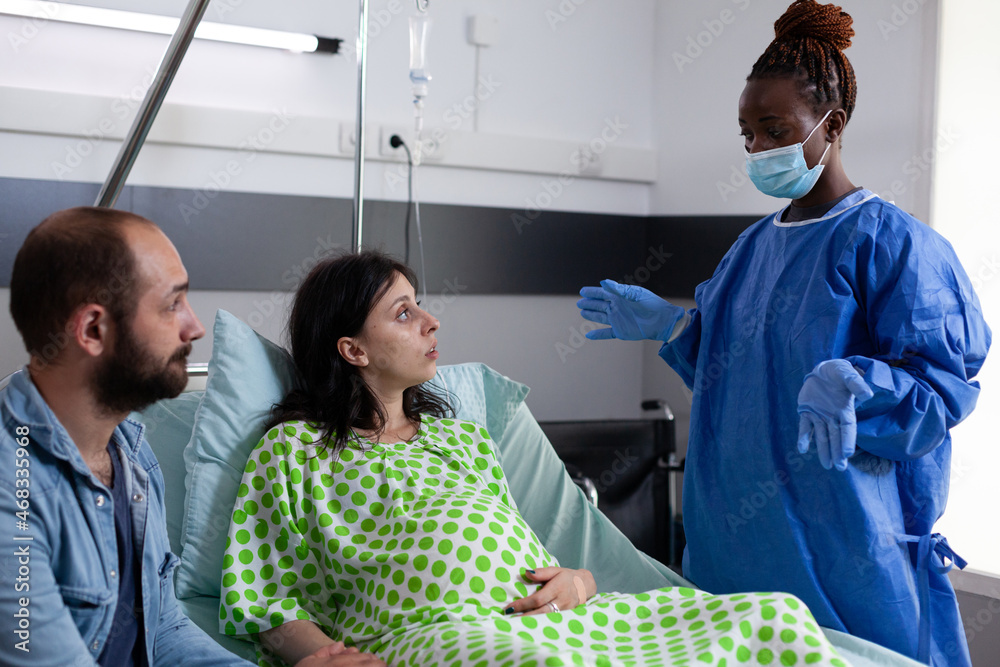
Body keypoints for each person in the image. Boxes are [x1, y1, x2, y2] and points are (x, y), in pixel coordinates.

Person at [577, 2, 990, 666]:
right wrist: (674, 326)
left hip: (849, 564)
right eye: (748, 133)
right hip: (731, 562)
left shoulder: (892, 244)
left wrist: (859, 379)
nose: (759, 149)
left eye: (775, 129)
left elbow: (939, 389)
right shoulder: (748, 249)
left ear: (833, 124)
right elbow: (738, 377)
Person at [219, 250, 853, 666]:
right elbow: (266, 597)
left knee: (772, 617)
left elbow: (531, 559)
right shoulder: (297, 450)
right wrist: (318, 656)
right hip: (437, 636)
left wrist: (579, 583)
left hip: (561, 625)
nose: (432, 322)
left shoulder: (461, 439)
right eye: (405, 312)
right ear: (353, 350)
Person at [0, 207, 364, 666]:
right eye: (173, 304)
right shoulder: (12, 486)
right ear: (93, 329)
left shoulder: (132, 455)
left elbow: (163, 628)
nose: (193, 327)